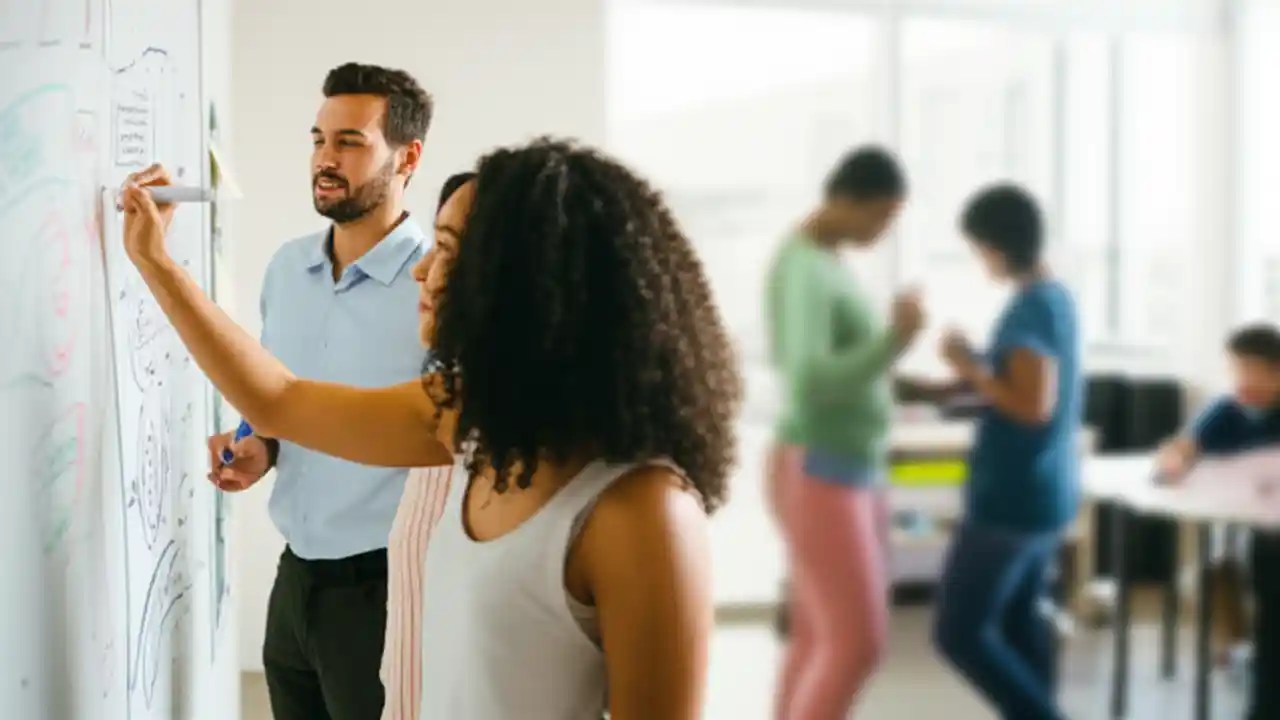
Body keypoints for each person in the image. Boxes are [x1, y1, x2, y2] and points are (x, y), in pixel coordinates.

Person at [118, 137, 741, 720]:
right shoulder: (467, 420)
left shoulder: (642, 513)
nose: (422, 271)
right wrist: (153, 259)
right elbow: (277, 400)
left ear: (528, 283)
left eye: (448, 249)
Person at [202, 61, 435, 719]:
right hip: (295, 580)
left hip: (385, 589)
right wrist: (261, 447)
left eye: (350, 142)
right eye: (319, 140)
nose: (325, 160)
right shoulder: (287, 269)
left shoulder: (437, 287)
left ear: (407, 157)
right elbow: (282, 403)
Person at [765, 146, 922, 719]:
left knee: (817, 638)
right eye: (881, 218)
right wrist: (895, 341)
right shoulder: (806, 268)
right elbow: (808, 381)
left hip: (845, 465)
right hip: (822, 467)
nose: (882, 232)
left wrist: (893, 365)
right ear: (851, 201)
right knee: (857, 643)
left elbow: (846, 367)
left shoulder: (825, 261)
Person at [930, 184, 1080, 720]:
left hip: (1011, 501)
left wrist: (969, 367)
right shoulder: (1055, 297)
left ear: (994, 246)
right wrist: (975, 369)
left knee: (958, 632)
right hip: (1044, 493)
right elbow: (1024, 385)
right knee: (1020, 626)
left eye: (978, 249)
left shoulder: (1029, 309)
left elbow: (1034, 405)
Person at [375, 172, 473, 720]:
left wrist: (155, 261)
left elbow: (281, 401)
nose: (421, 268)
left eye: (447, 249)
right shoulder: (452, 404)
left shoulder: (458, 419)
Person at [1157, 323, 1280, 720]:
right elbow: (1183, 449)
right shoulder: (1227, 409)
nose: (1244, 380)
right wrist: (1176, 460)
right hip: (1263, 535)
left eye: (1253, 370)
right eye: (1237, 369)